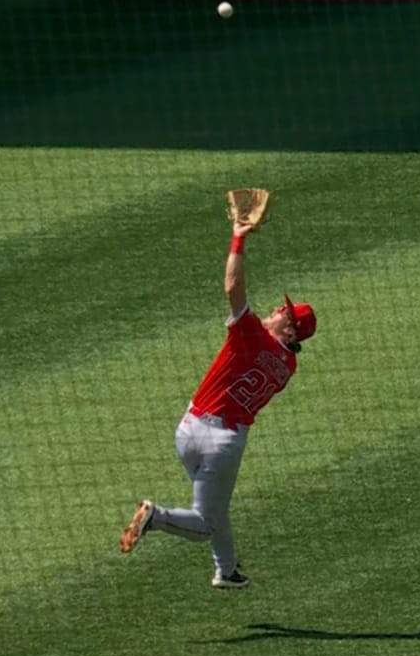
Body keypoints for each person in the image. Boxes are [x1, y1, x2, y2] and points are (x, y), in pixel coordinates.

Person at [118, 217, 317, 588]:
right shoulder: (288, 366)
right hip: (223, 444)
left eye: (282, 312)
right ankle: (156, 517)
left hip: (187, 430)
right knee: (205, 521)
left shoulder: (251, 336)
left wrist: (238, 238)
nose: (276, 309)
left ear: (289, 329)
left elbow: (232, 284)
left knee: (214, 511)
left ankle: (227, 570)